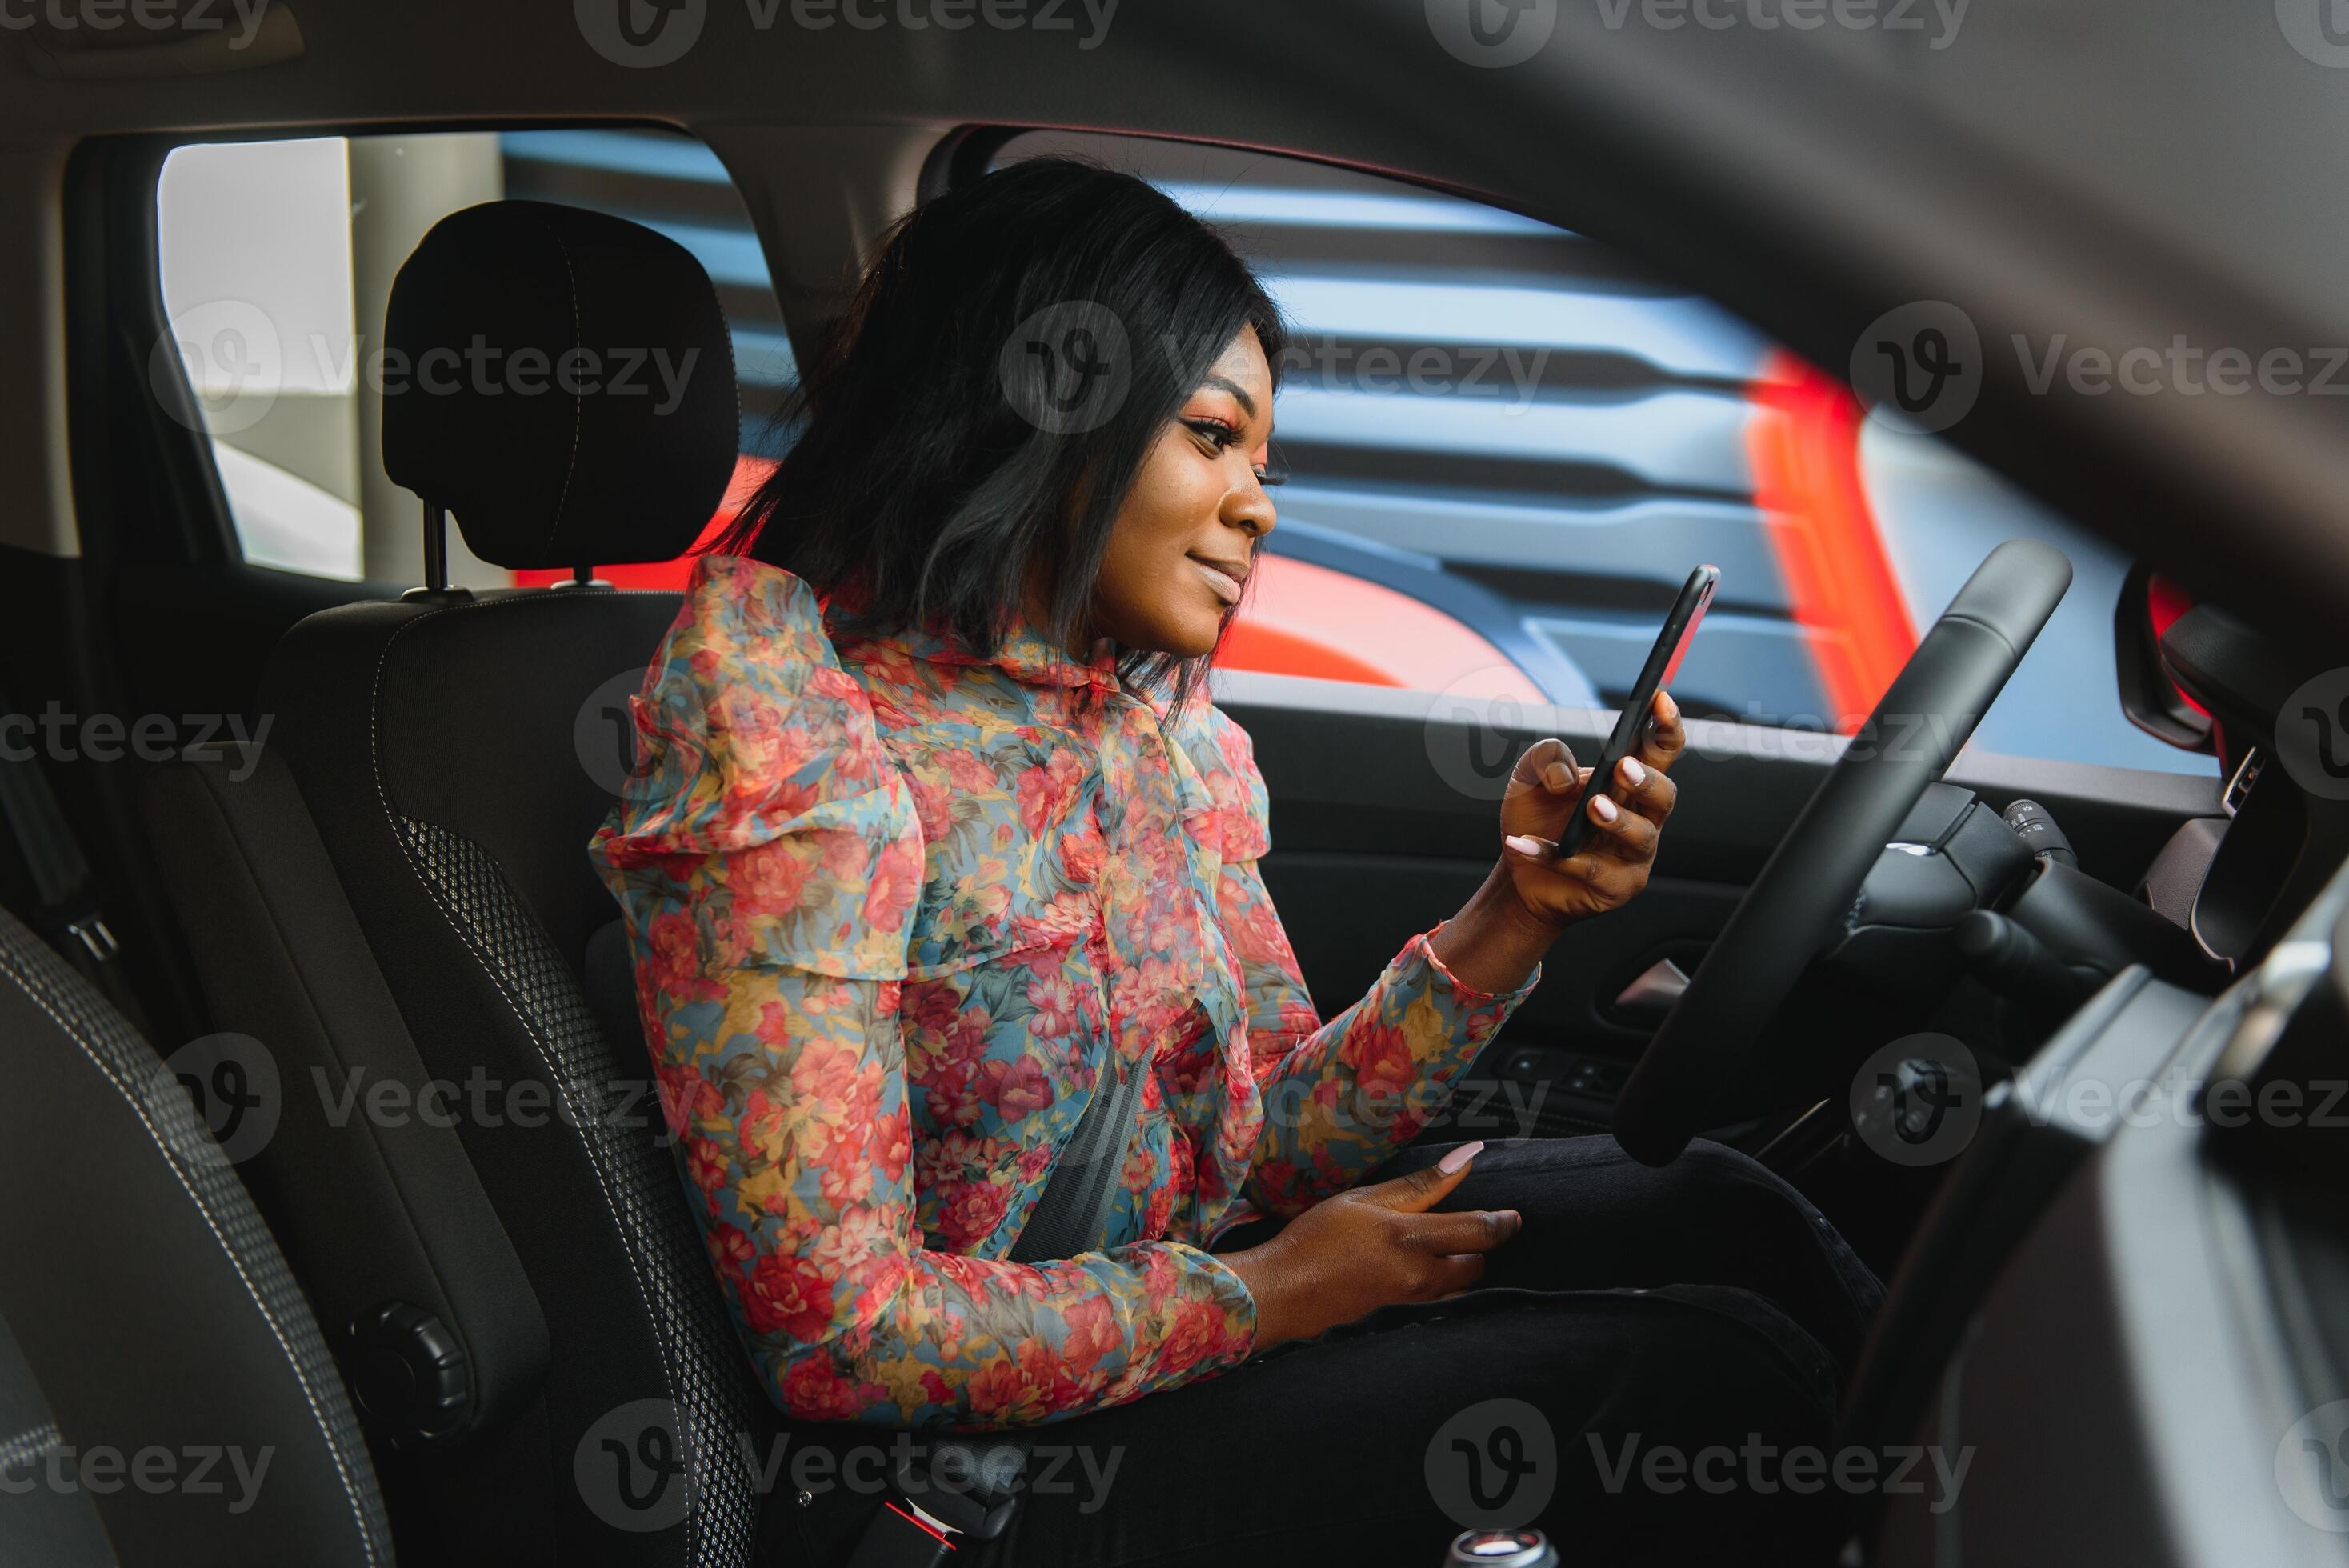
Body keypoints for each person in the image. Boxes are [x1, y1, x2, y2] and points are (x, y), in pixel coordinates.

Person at [588, 157, 1881, 1566]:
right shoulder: (796, 760)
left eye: (1263, 459)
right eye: (1213, 435)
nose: (1258, 504)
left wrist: (1514, 915)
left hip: (1190, 1342)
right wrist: (1266, 1298)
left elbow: (1267, 1148)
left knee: (1727, 1215)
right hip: (984, 1489)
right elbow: (839, 1340)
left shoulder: (1147, 722)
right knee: (1696, 1390)